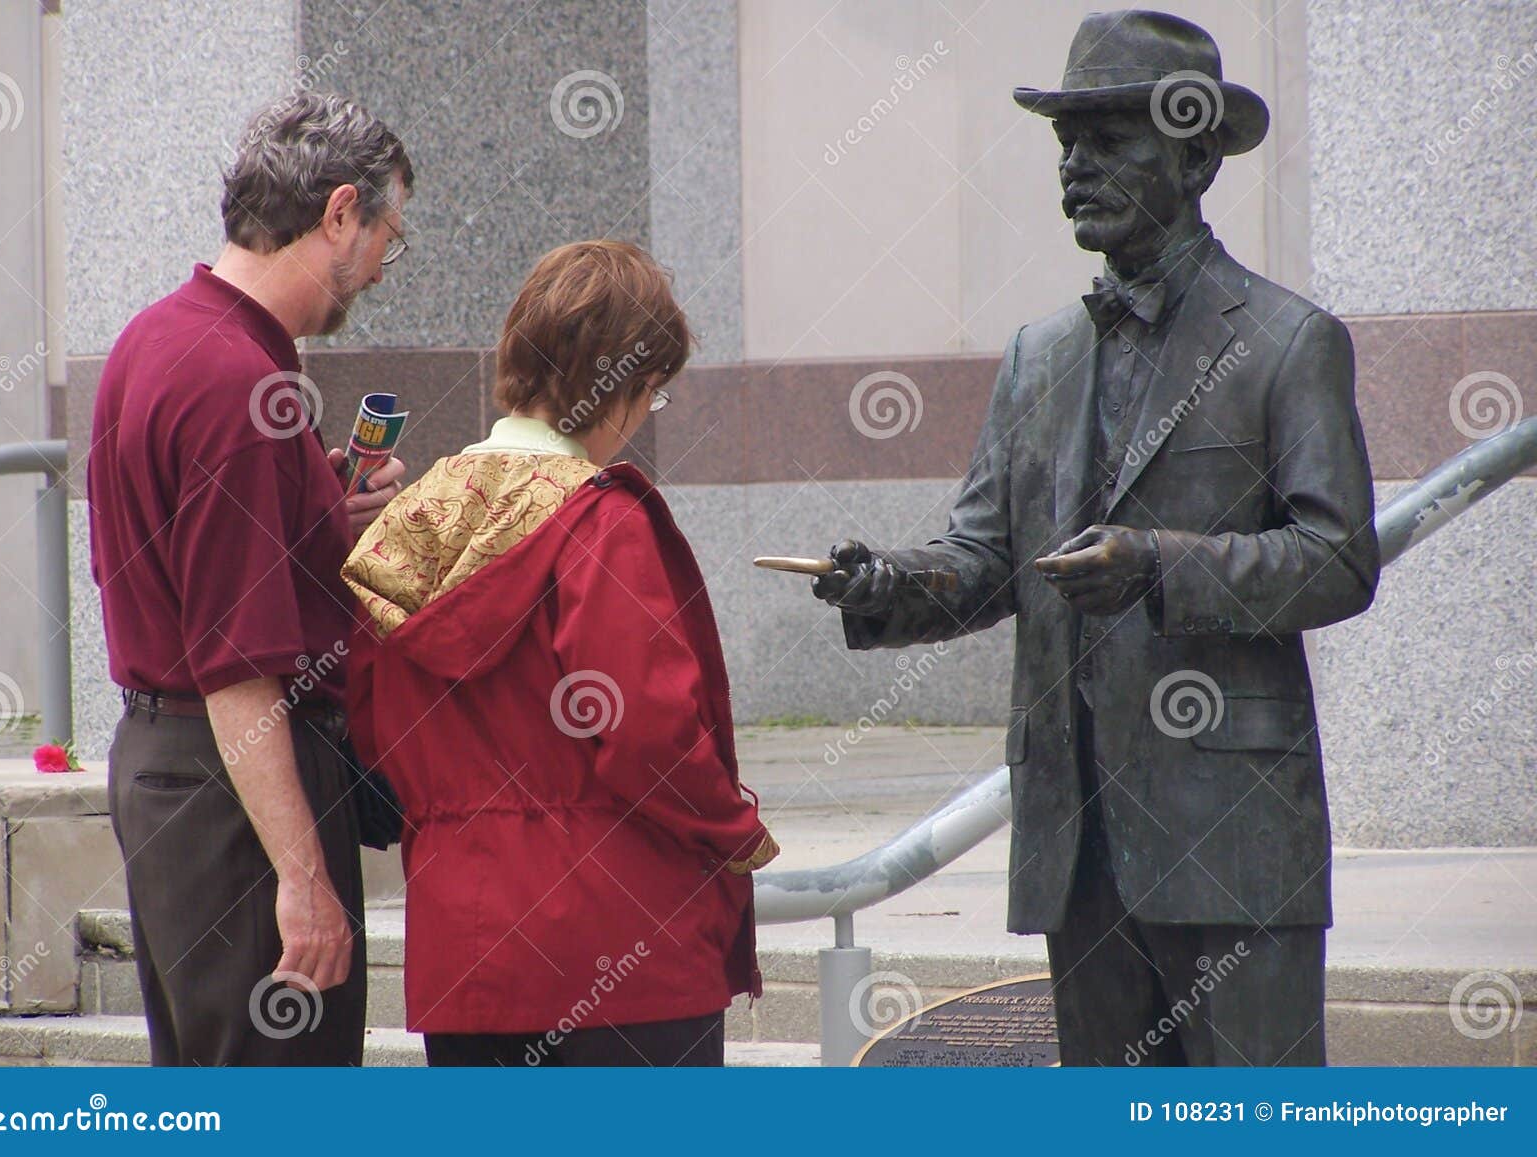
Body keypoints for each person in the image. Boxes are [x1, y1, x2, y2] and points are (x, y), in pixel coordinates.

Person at [813, 10, 1379, 1066]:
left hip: (1234, 839)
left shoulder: (1287, 342)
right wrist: (885, 584)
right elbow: (986, 560)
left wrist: (1158, 566)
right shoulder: (1038, 356)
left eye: (1109, 139)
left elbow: (1339, 557)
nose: (1075, 166)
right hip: (1078, 845)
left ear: (1195, 153)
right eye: (1065, 142)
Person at [342, 239, 778, 1067]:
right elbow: (648, 731)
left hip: (464, 944)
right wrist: (736, 828)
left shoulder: (406, 517)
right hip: (623, 942)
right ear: (624, 384)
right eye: (652, 390)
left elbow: (372, 726)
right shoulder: (601, 524)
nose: (647, 412)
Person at [87, 92, 412, 1065]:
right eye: (392, 233)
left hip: (169, 768)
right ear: (341, 211)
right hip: (237, 783)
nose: (386, 264)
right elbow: (237, 667)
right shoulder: (237, 385)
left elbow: (178, 562)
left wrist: (323, 515)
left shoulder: (159, 336)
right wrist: (304, 879)